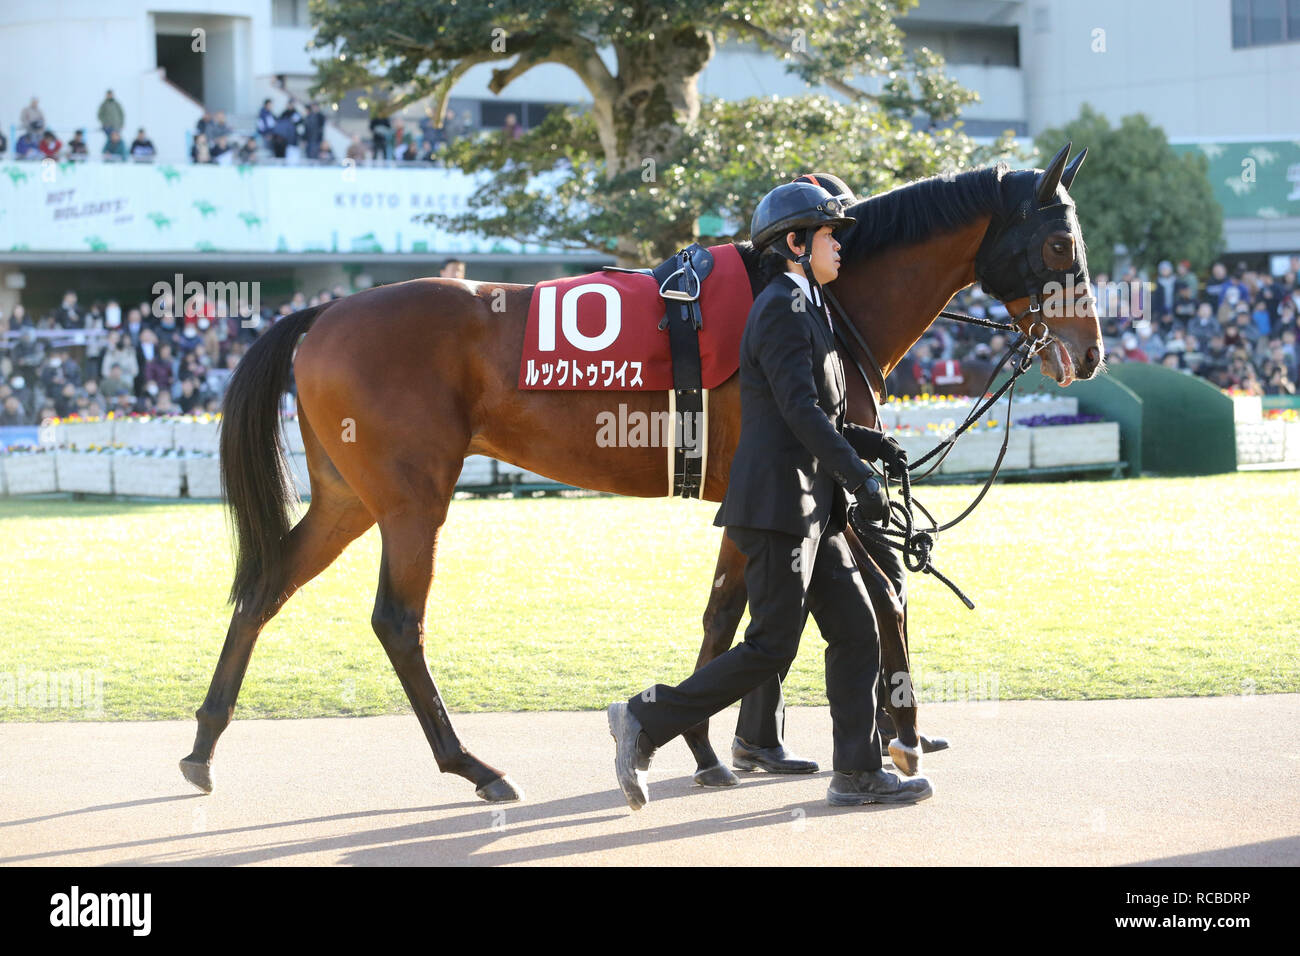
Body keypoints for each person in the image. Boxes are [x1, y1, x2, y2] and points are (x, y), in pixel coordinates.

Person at [607, 181, 933, 810]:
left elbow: (824, 413)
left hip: (813, 509)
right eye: (831, 235)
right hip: (780, 507)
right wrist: (860, 478)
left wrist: (870, 447)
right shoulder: (783, 307)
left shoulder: (809, 304)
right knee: (771, 647)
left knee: (859, 630)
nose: (841, 245)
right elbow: (800, 412)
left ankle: (859, 771)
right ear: (795, 243)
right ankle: (645, 717)